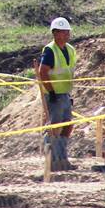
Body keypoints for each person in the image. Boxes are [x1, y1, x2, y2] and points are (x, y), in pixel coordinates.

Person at [37, 17, 78, 170]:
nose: (67, 34)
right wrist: (51, 92)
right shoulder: (50, 50)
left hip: (65, 93)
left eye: (68, 31)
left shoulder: (71, 50)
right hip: (54, 95)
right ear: (56, 34)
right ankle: (52, 160)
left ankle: (61, 156)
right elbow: (43, 72)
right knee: (54, 127)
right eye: (64, 32)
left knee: (67, 125)